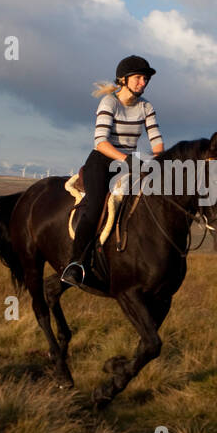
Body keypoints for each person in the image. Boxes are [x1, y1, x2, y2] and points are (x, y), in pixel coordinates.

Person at [61, 55, 164, 287]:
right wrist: (128, 160)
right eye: (139, 78)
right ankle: (75, 264)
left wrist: (157, 160)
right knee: (96, 206)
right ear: (124, 79)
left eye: (145, 79)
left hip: (128, 162)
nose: (143, 82)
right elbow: (100, 142)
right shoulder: (109, 102)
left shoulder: (146, 107)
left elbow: (156, 141)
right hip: (103, 161)